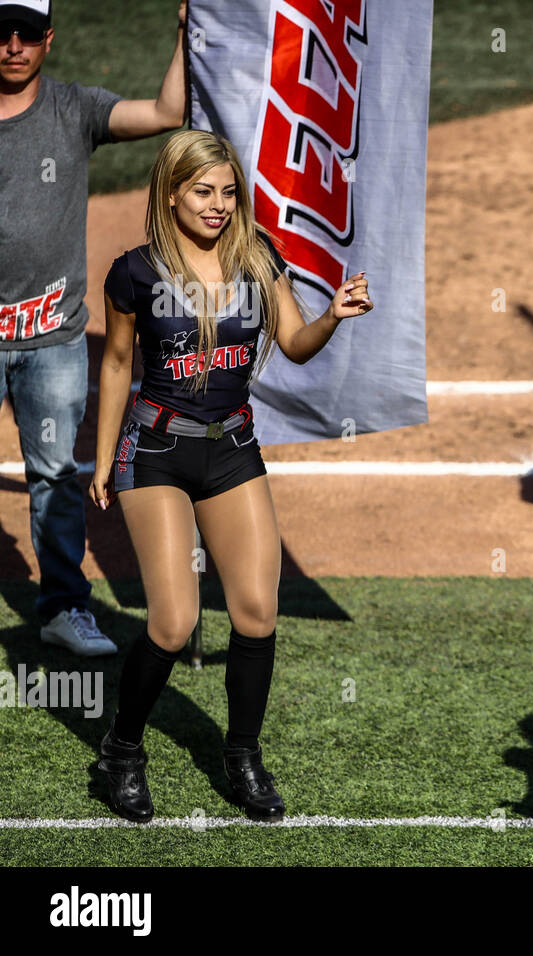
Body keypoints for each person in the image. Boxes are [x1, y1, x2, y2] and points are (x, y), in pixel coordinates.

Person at [89, 129, 373, 822]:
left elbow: (298, 345)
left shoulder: (256, 258)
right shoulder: (135, 273)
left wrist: (332, 316)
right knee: (175, 621)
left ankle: (242, 756)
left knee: (256, 611)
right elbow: (119, 364)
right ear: (171, 192)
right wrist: (102, 461)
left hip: (232, 449)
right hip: (154, 453)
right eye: (202, 191)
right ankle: (121, 753)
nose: (218, 205)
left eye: (227, 191)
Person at [0, 0, 189, 655]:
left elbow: (168, 115)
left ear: (48, 39)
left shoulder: (73, 109)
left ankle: (60, 608)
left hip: (52, 339)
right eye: (2, 32)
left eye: (27, 33)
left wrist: (186, 33)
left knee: (53, 473)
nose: (14, 45)